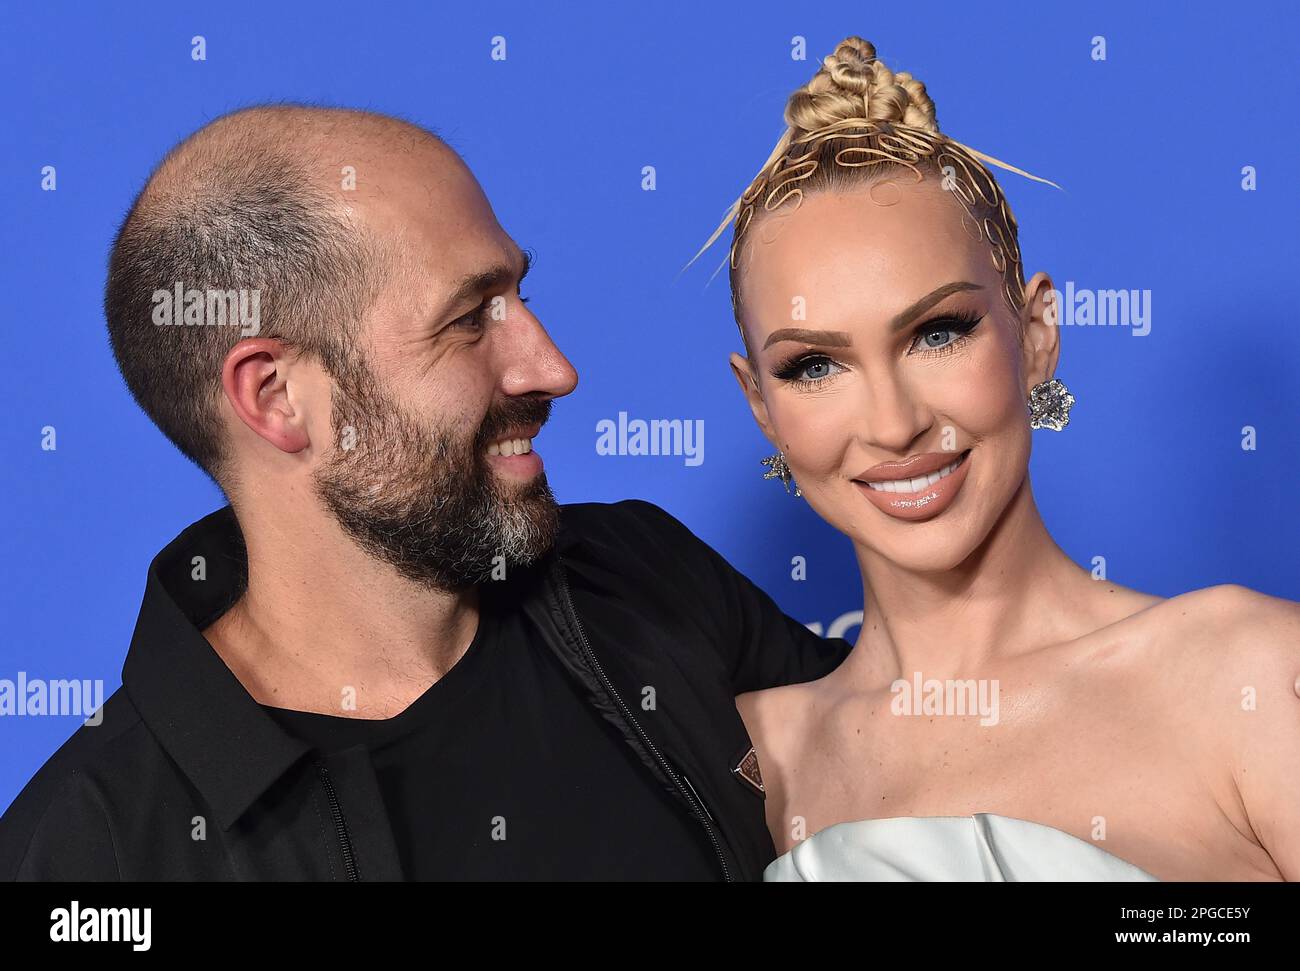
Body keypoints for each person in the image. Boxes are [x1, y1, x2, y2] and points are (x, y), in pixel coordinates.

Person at [0, 104, 848, 882]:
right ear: (274, 398)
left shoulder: (647, 579)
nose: (553, 369)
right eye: (470, 318)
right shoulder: (91, 852)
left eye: (519, 293)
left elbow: (914, 777)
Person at [685, 36, 1300, 881]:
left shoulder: (1250, 675)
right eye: (814, 366)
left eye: (938, 332)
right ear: (761, 405)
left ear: (1036, 333)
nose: (894, 424)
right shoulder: (740, 761)